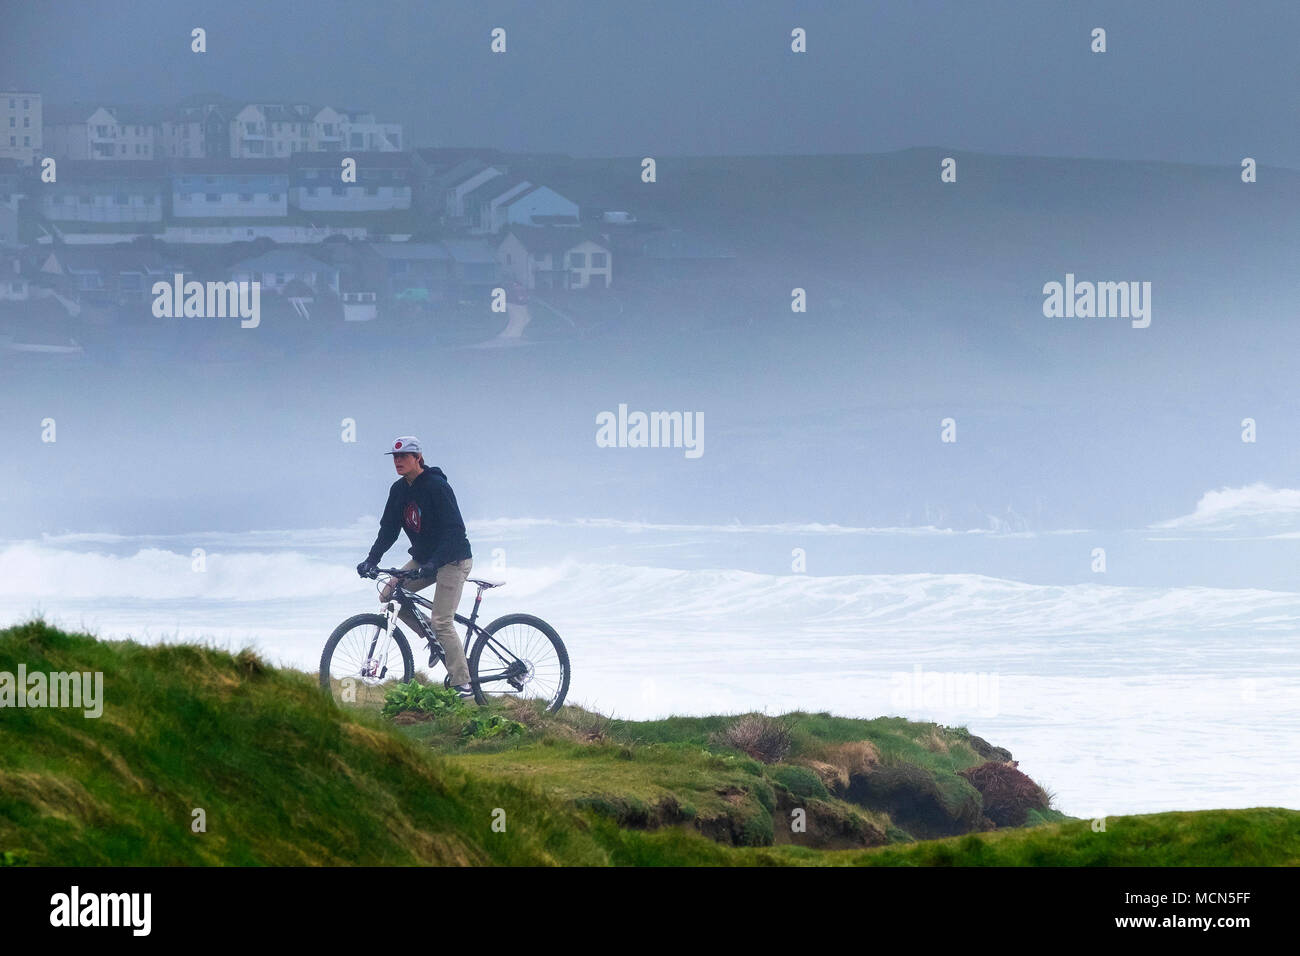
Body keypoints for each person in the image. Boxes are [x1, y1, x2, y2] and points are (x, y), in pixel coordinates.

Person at [356, 435, 475, 700]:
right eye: (395, 457)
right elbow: (388, 530)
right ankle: (436, 641)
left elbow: (455, 531)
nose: (398, 461)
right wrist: (371, 560)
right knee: (389, 595)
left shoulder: (436, 486)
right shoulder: (398, 490)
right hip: (425, 559)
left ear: (417, 458)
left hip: (452, 559)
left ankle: (463, 684)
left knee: (442, 620)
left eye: (404, 457)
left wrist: (434, 563)